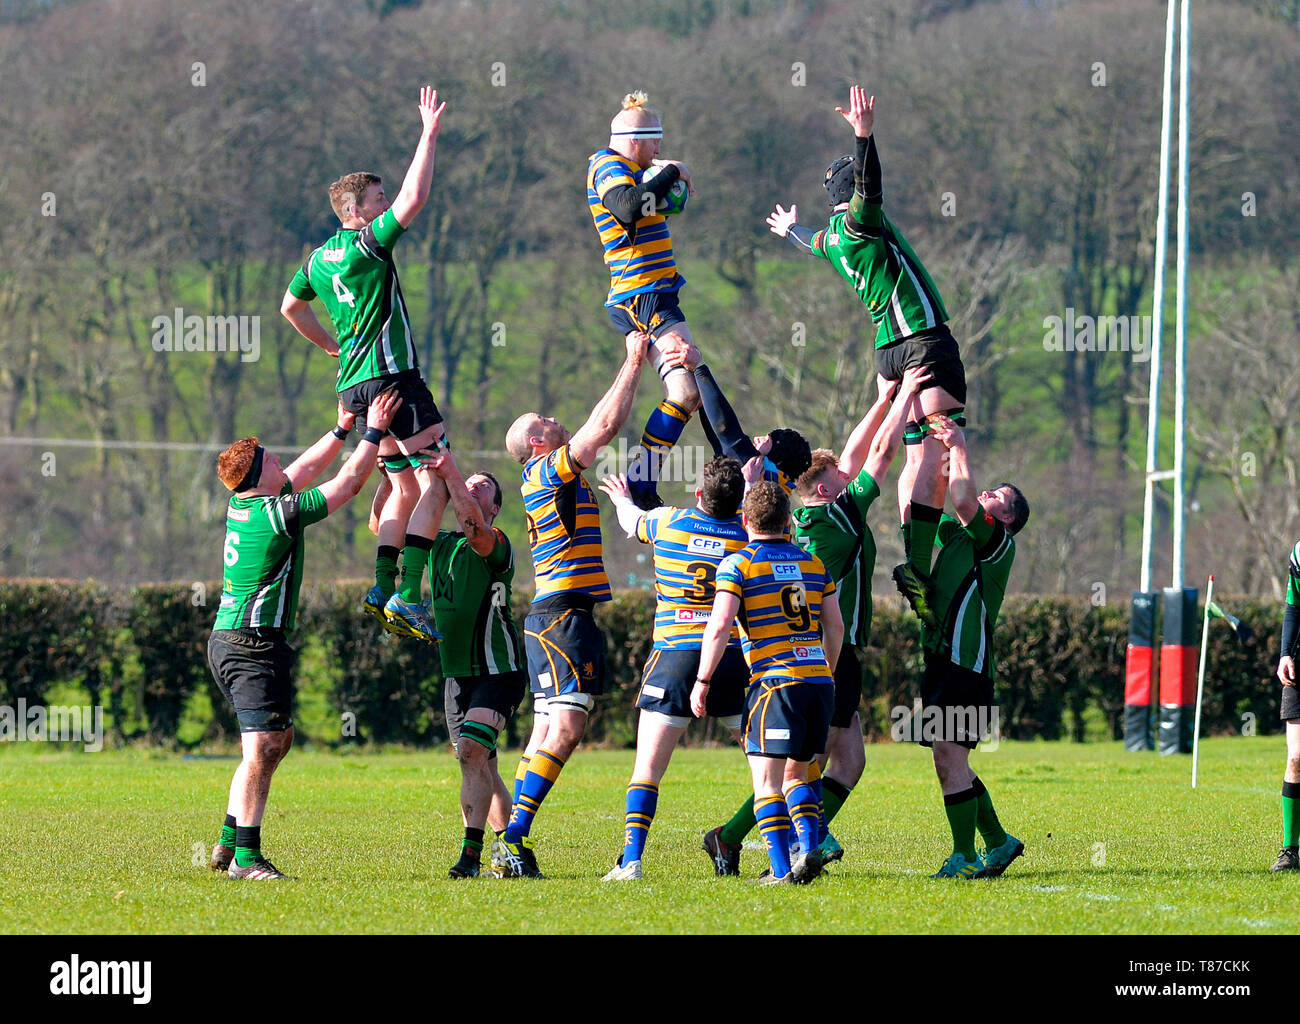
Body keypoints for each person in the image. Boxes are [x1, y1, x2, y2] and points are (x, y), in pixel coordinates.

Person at [764, 85, 966, 623]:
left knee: (915, 453)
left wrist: (789, 231)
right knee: (937, 453)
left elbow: (810, 240)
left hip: (887, 352)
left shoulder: (830, 239)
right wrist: (864, 136)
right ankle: (920, 566)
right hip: (921, 337)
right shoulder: (859, 226)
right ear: (849, 196)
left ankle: (917, 564)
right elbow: (871, 187)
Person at [207, 389, 402, 880]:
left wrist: (340, 430)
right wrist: (373, 432)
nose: (282, 463)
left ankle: (230, 844)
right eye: (273, 460)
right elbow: (348, 484)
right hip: (251, 643)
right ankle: (248, 860)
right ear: (261, 478)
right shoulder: (277, 515)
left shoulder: (245, 504)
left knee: (276, 739)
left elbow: (303, 471)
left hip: (236, 641)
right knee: (264, 747)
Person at [281, 86, 452, 642]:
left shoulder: (316, 258)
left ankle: (381, 587)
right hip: (394, 382)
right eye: (377, 200)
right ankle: (410, 593)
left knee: (402, 489)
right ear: (356, 213)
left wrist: (328, 345)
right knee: (439, 482)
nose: (386, 205)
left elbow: (290, 307)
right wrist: (427, 135)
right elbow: (416, 197)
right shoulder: (366, 246)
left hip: (354, 390)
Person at [497, 331, 651, 877]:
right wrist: (633, 360)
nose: (555, 419)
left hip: (551, 616)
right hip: (562, 616)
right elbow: (602, 427)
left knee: (545, 730)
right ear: (538, 443)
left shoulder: (554, 472)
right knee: (567, 727)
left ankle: (511, 841)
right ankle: (511, 837)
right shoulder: (543, 470)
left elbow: (594, 423)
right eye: (545, 421)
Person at [596, 456, 749, 881]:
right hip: (731, 659)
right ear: (739, 501)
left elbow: (631, 522)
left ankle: (631, 861)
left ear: (699, 494)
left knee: (647, 768)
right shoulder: (747, 536)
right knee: (767, 765)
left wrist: (621, 499)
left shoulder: (670, 521)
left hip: (675, 656)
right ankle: (785, 849)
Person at [692, 481, 844, 885]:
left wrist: (703, 679)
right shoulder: (813, 564)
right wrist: (824, 668)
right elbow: (836, 626)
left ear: (745, 521)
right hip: (819, 683)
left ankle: (780, 871)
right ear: (788, 521)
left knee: (766, 783)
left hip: (775, 684)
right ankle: (808, 852)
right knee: (799, 774)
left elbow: (720, 623)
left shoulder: (738, 564)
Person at [910, 414, 1029, 879]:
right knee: (950, 758)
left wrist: (958, 444)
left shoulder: (996, 543)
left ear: (1007, 519)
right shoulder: (962, 535)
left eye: (999, 496)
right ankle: (998, 842)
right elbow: (921, 502)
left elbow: (960, 496)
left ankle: (963, 857)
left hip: (967, 666)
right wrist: (920, 441)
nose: (988, 493)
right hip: (946, 661)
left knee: (948, 757)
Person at [587, 91, 701, 510]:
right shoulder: (607, 166)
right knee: (689, 388)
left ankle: (643, 480)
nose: (659, 151)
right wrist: (672, 171)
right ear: (637, 140)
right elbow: (628, 208)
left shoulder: (630, 170)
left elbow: (649, 204)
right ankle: (641, 480)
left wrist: (672, 181)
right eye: (656, 143)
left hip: (656, 293)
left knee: (689, 389)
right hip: (643, 295)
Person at [423, 460, 526, 880]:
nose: (471, 487)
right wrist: (392, 473)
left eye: (482, 487)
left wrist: (450, 474)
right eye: (468, 484)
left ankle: (470, 858)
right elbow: (381, 522)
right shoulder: (439, 541)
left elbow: (475, 527)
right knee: (480, 766)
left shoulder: (494, 540)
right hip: (456, 674)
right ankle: (515, 853)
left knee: (471, 753)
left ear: (496, 507)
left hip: (498, 670)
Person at [1271, 543, 1300, 871]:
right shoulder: (1298, 555)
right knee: (1296, 758)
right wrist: (1285, 654)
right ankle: (1289, 851)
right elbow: (1294, 607)